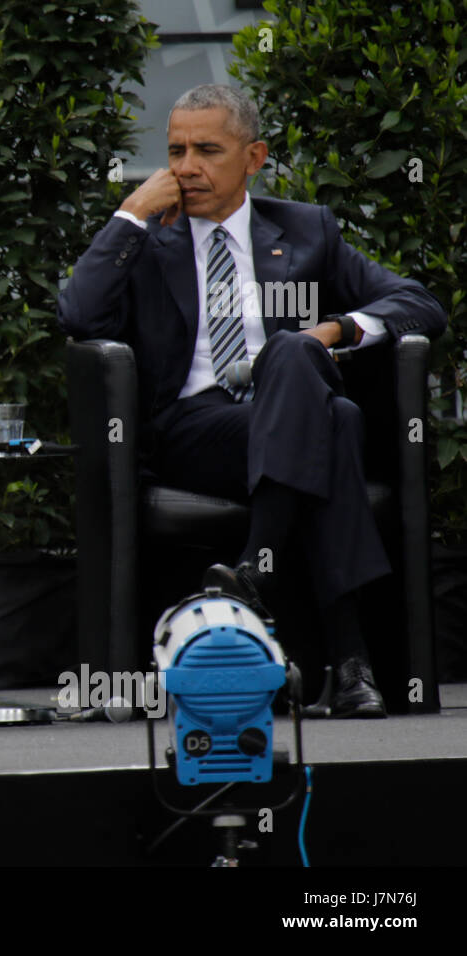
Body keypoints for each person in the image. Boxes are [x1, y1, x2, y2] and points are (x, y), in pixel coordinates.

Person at [58, 84, 446, 718]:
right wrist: (128, 214)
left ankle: (276, 598)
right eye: (176, 150)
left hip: (283, 415)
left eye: (208, 150)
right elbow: (78, 316)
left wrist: (336, 331)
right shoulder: (150, 238)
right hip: (192, 430)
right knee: (336, 419)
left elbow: (420, 306)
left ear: (255, 156)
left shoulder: (305, 231)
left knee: (310, 376)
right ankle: (345, 657)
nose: (187, 168)